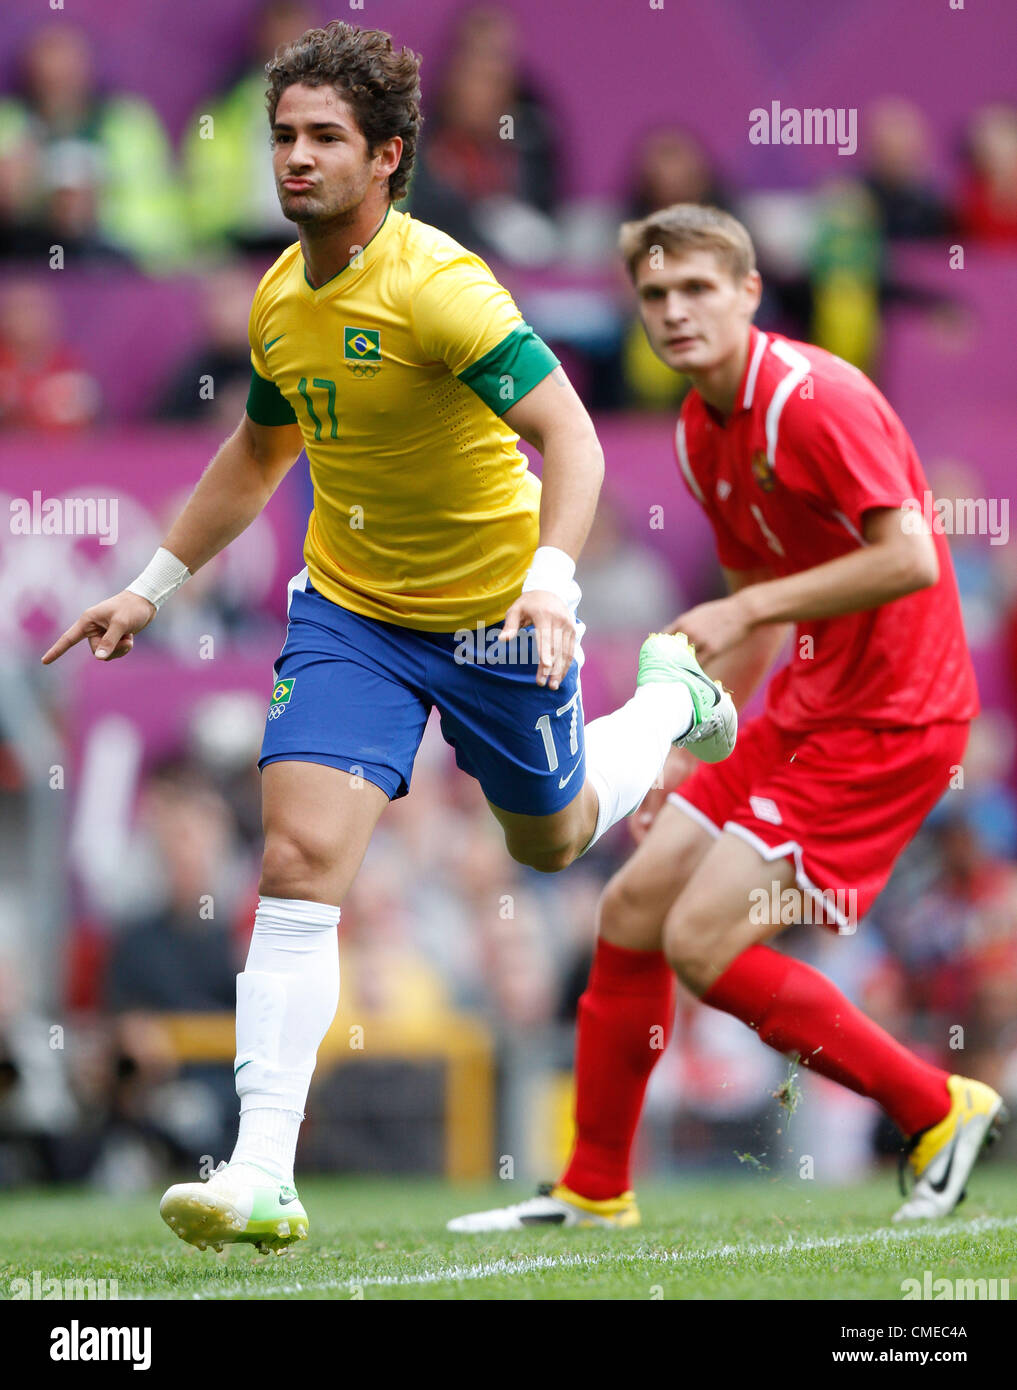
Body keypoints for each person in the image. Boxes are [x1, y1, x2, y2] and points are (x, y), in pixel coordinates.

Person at [41, 25, 736, 1254]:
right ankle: (261, 1170)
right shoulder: (275, 299)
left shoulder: (441, 286)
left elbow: (571, 439)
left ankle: (671, 704)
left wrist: (556, 583)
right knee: (301, 859)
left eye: (324, 140)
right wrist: (152, 584)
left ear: (388, 157)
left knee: (556, 836)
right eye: (284, 138)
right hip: (353, 615)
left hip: (492, 615)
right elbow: (259, 454)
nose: (296, 160)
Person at [448, 203, 1005, 1234]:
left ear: (750, 292)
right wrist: (684, 750)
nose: (674, 310)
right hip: (805, 698)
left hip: (893, 714)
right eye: (655, 293)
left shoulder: (812, 399)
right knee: (630, 913)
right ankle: (595, 1188)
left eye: (698, 287)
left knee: (703, 943)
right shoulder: (702, 428)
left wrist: (746, 606)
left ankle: (939, 1106)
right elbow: (755, 608)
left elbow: (913, 557)